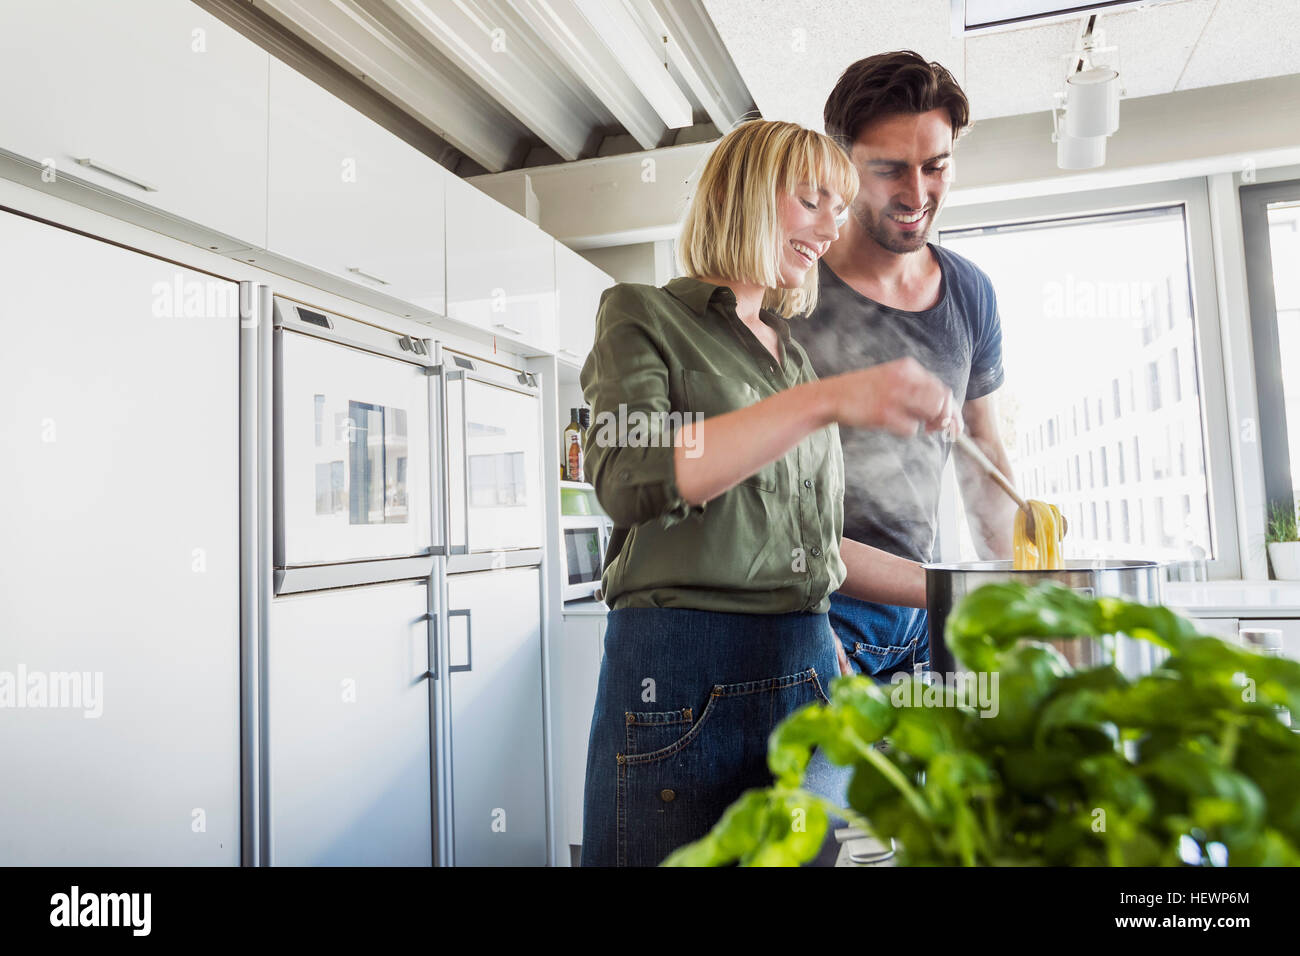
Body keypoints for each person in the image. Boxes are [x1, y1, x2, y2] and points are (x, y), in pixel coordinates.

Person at [577, 118, 958, 867]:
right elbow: (630, 474)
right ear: (746, 196)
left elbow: (817, 547)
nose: (831, 227)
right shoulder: (642, 315)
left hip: (810, 668)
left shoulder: (794, 364)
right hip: (684, 682)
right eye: (812, 200)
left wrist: (958, 590)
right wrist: (825, 403)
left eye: (839, 208)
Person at [790, 51, 1017, 681]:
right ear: (841, 167)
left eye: (936, 166)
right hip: (820, 616)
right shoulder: (790, 286)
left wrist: (1020, 596)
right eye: (889, 170)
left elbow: (982, 452)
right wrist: (800, 616)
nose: (917, 195)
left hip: (926, 608)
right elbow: (751, 499)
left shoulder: (971, 293)